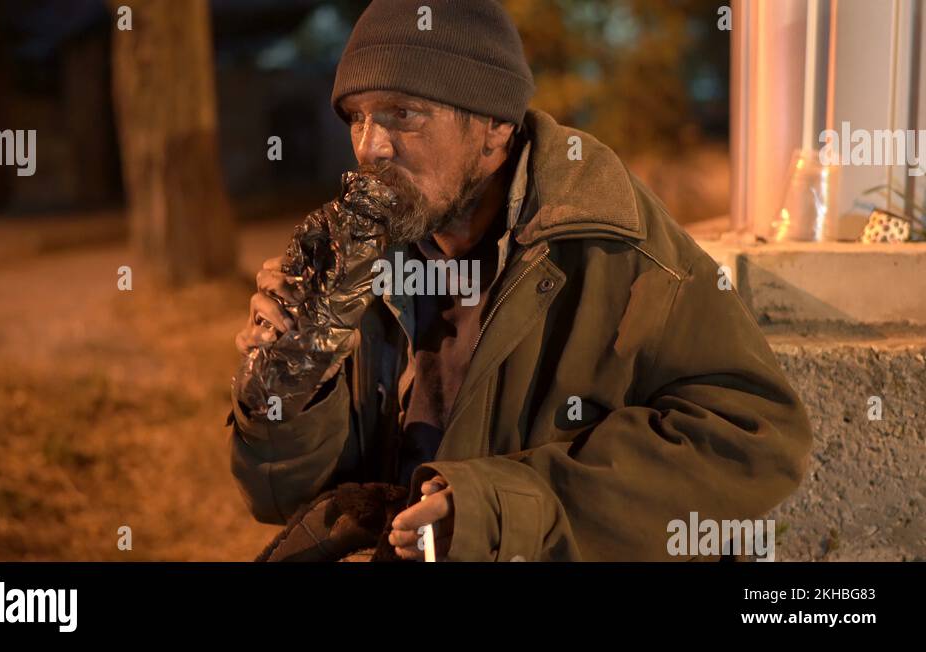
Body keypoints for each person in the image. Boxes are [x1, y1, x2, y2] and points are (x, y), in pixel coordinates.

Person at [229, 0, 812, 561]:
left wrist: (495, 515)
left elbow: (754, 440)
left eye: (402, 114)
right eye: (357, 117)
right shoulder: (362, 259)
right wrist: (291, 388)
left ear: (494, 128)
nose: (370, 147)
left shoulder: (615, 250)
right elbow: (278, 497)